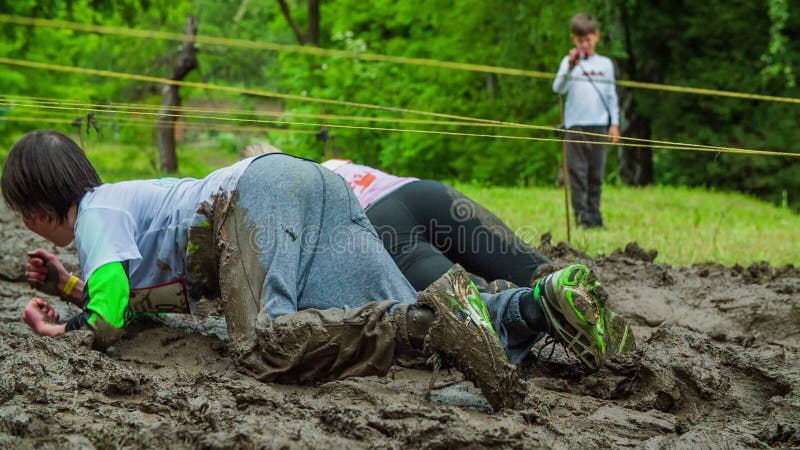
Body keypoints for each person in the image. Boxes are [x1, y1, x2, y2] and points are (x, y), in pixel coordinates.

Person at [4, 131, 634, 411]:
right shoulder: (118, 208)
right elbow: (138, 296)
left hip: (249, 202)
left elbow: (112, 304)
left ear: (33, 210)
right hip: (310, 181)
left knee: (263, 348)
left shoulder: (94, 214)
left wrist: (80, 332)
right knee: (381, 314)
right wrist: (65, 289)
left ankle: (426, 321)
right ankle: (538, 306)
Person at [319, 157, 553, 292]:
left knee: (469, 298)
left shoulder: (297, 189)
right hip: (424, 193)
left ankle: (499, 301)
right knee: (535, 271)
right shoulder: (330, 164)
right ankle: (562, 290)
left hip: (378, 221)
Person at [552, 13, 620, 229]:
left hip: (599, 125)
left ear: (596, 37)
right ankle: (582, 220)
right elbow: (558, 89)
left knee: (595, 176)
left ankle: (596, 218)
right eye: (580, 41)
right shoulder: (568, 62)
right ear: (574, 40)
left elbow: (612, 95)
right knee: (578, 175)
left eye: (588, 40)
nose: (585, 44)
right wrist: (570, 68)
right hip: (575, 126)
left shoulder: (606, 64)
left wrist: (614, 124)